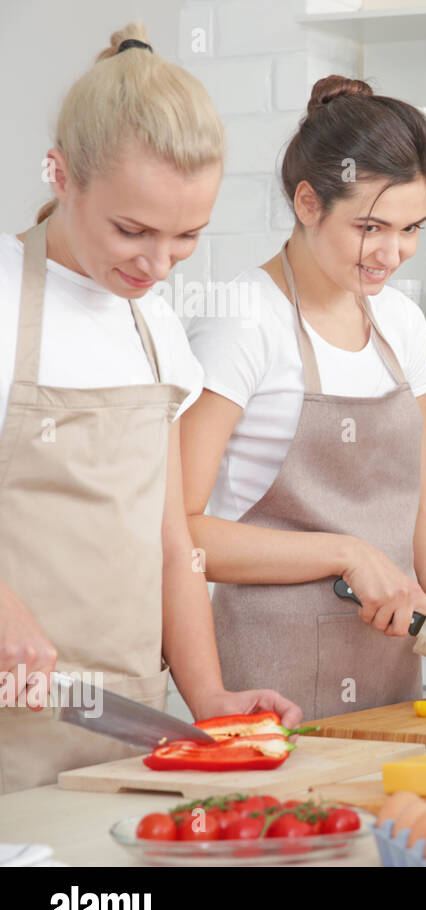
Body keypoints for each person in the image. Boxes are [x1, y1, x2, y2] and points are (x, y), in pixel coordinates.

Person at [0, 24, 299, 793]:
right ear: (61, 177)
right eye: (132, 230)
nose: (156, 265)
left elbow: (172, 544)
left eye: (186, 237)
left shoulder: (156, 325)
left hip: (129, 715)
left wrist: (210, 700)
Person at [181, 76, 426, 721]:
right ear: (309, 202)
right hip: (268, 675)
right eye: (370, 227)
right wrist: (346, 551)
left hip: (387, 672)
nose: (391, 254)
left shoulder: (400, 323)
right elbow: (182, 534)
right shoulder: (243, 321)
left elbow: (418, 508)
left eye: (410, 229)